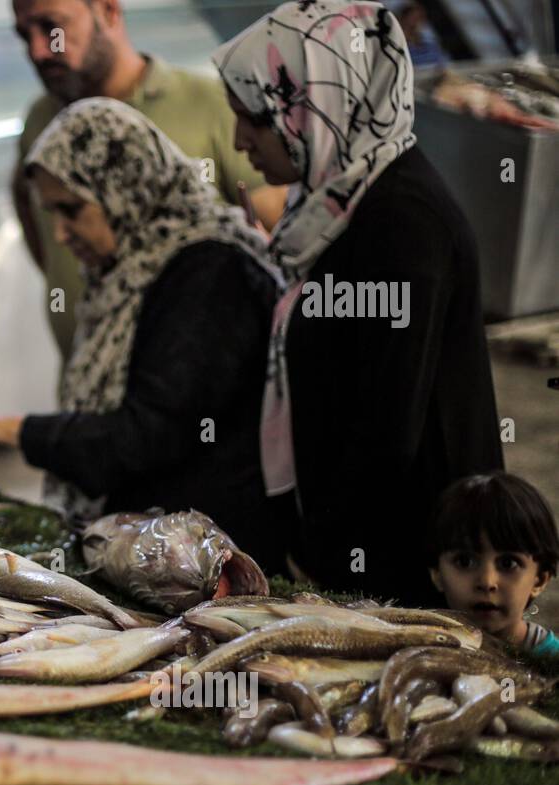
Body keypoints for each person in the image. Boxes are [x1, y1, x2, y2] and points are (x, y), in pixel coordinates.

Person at [213, 0, 503, 604]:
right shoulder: (335, 202)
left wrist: (327, 552)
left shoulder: (402, 222)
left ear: (322, 104)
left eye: (257, 118)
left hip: (411, 567)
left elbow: (387, 426)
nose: (240, 139)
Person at [0, 98, 284, 563]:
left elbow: (141, 437)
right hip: (155, 546)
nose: (62, 234)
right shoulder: (127, 271)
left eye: (71, 209)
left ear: (126, 188)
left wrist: (3, 433)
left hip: (213, 560)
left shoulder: (209, 271)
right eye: (52, 213)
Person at [12, 0, 287, 360]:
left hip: (193, 394)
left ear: (109, 11)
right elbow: (34, 217)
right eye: (24, 34)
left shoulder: (207, 105)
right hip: (87, 385)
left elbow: (278, 236)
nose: (37, 51)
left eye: (52, 28)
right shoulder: (41, 122)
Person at [428, 473, 558, 658]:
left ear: (540, 580)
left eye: (508, 563)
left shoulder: (553, 665)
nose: (487, 582)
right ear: (437, 574)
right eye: (465, 561)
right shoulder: (420, 659)